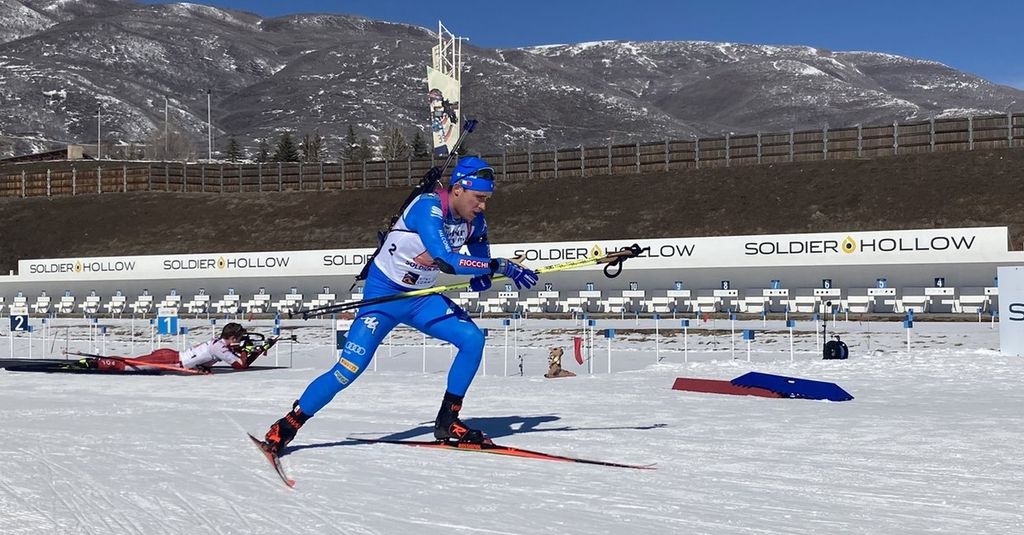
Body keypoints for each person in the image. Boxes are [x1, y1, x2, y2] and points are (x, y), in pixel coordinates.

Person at [262, 156, 539, 454]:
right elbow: (448, 260)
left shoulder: (475, 221)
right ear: (458, 189)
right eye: (479, 198)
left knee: (472, 339)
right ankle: (289, 424)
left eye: (486, 199)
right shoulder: (427, 207)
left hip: (420, 299)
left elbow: (478, 260)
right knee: (348, 369)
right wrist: (500, 266)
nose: (483, 206)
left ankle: (448, 420)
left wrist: (484, 274)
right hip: (384, 299)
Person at [77, 322, 273, 373]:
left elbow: (235, 354)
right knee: (131, 365)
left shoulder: (220, 344)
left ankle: (98, 361)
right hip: (171, 360)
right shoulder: (220, 349)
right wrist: (250, 351)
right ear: (231, 338)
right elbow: (240, 365)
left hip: (172, 355)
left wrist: (249, 350)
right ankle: (97, 363)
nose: (239, 341)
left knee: (135, 361)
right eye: (237, 339)